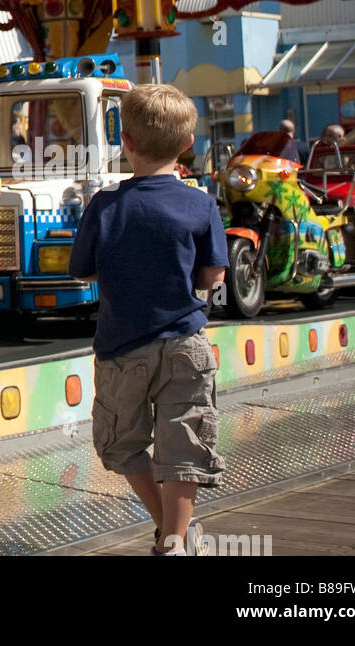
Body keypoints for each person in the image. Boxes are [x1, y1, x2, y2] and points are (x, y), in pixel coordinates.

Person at [69, 83, 228, 557]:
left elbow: (83, 270)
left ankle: (165, 526)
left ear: (126, 141)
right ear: (187, 145)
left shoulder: (105, 205)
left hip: (121, 349)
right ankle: (174, 540)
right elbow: (212, 274)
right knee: (185, 443)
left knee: (121, 442)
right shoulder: (200, 204)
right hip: (186, 343)